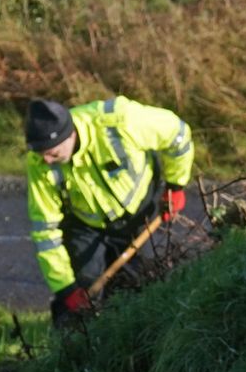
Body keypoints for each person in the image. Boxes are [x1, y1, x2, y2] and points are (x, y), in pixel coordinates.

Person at [23, 96, 194, 324]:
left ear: (70, 134)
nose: (46, 160)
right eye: (41, 154)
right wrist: (66, 289)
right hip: (86, 224)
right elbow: (45, 232)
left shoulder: (121, 121)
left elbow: (178, 135)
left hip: (141, 213)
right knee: (84, 285)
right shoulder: (40, 163)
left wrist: (176, 185)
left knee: (145, 283)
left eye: (52, 153)